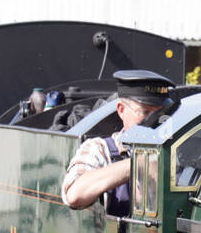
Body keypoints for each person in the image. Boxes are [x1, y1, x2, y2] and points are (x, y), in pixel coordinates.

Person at [61, 70, 173, 215]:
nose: (153, 122)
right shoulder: (99, 149)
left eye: (158, 114)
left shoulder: (176, 151)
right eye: (145, 113)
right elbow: (75, 195)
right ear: (121, 110)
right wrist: (139, 162)